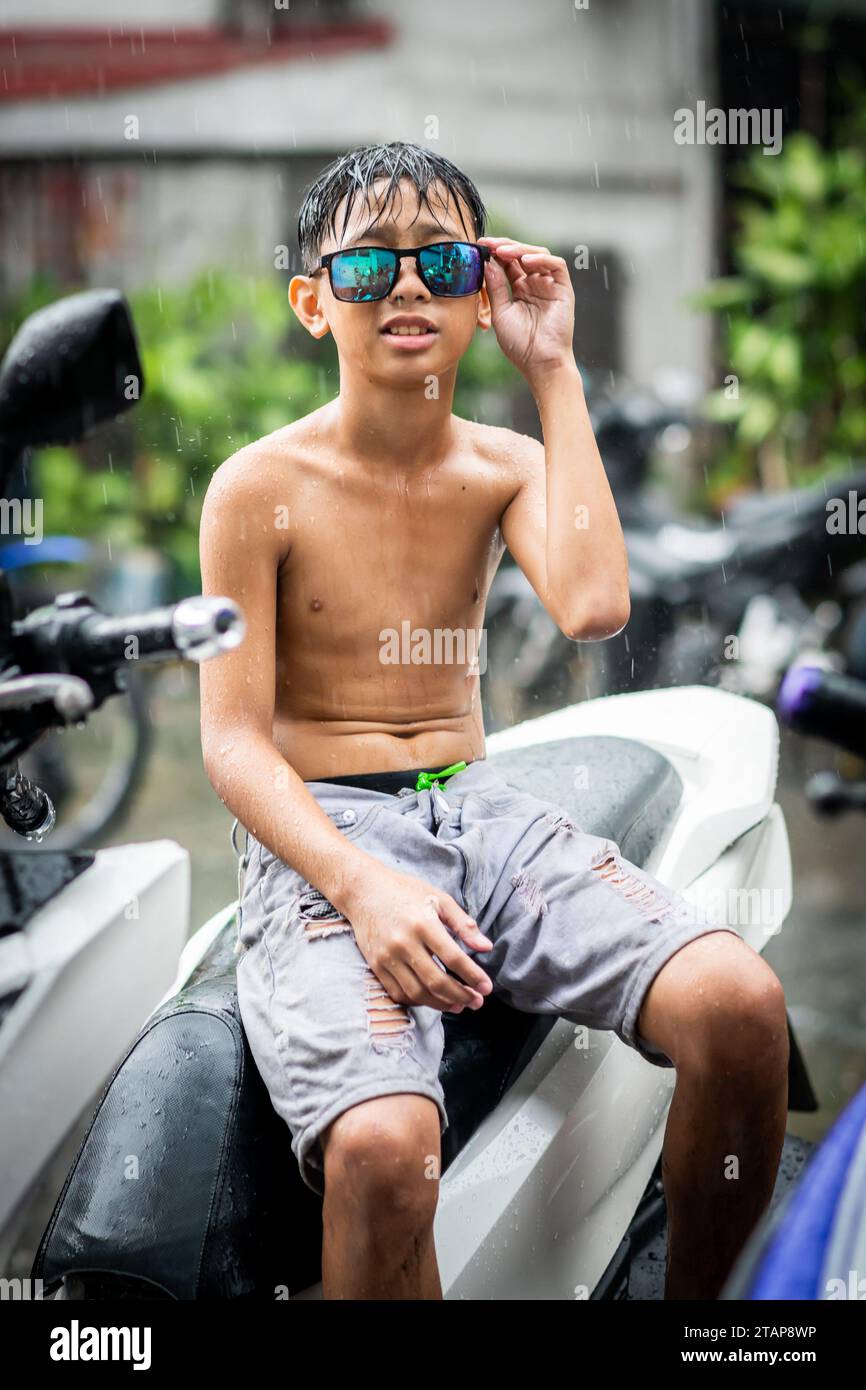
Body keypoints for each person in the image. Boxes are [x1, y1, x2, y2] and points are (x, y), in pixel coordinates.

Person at [198, 141, 789, 1301]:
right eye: (368, 267)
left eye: (440, 260)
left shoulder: (504, 462)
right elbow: (231, 740)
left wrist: (553, 369)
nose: (406, 287)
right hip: (318, 838)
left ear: (481, 291)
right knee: (379, 1150)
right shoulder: (255, 487)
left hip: (479, 809)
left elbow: (592, 604)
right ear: (314, 302)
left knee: (741, 1007)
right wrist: (361, 887)